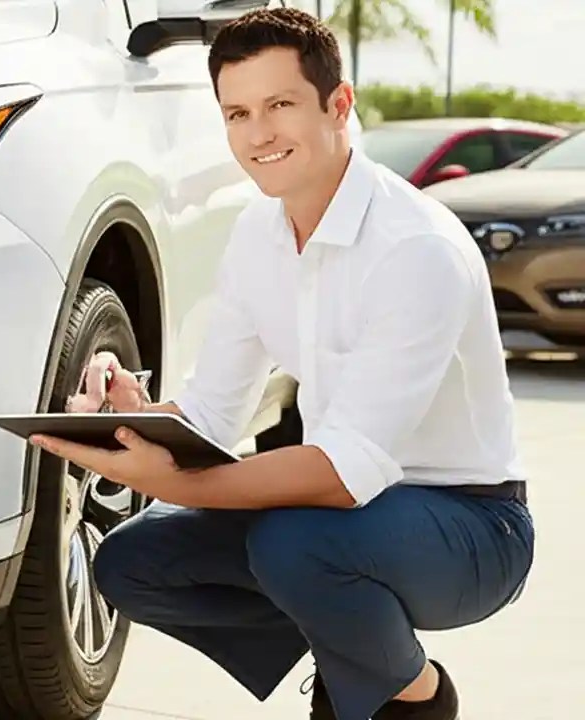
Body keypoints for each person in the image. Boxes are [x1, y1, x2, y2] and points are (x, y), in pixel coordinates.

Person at [28, 7, 535, 720]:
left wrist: (176, 481)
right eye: (237, 114)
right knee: (132, 563)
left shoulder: (415, 250)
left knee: (291, 544)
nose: (258, 134)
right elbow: (212, 415)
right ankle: (357, 656)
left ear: (339, 105)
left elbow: (341, 474)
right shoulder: (257, 235)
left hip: (472, 527)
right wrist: (132, 419)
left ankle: (412, 696)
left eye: (280, 106)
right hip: (338, 518)